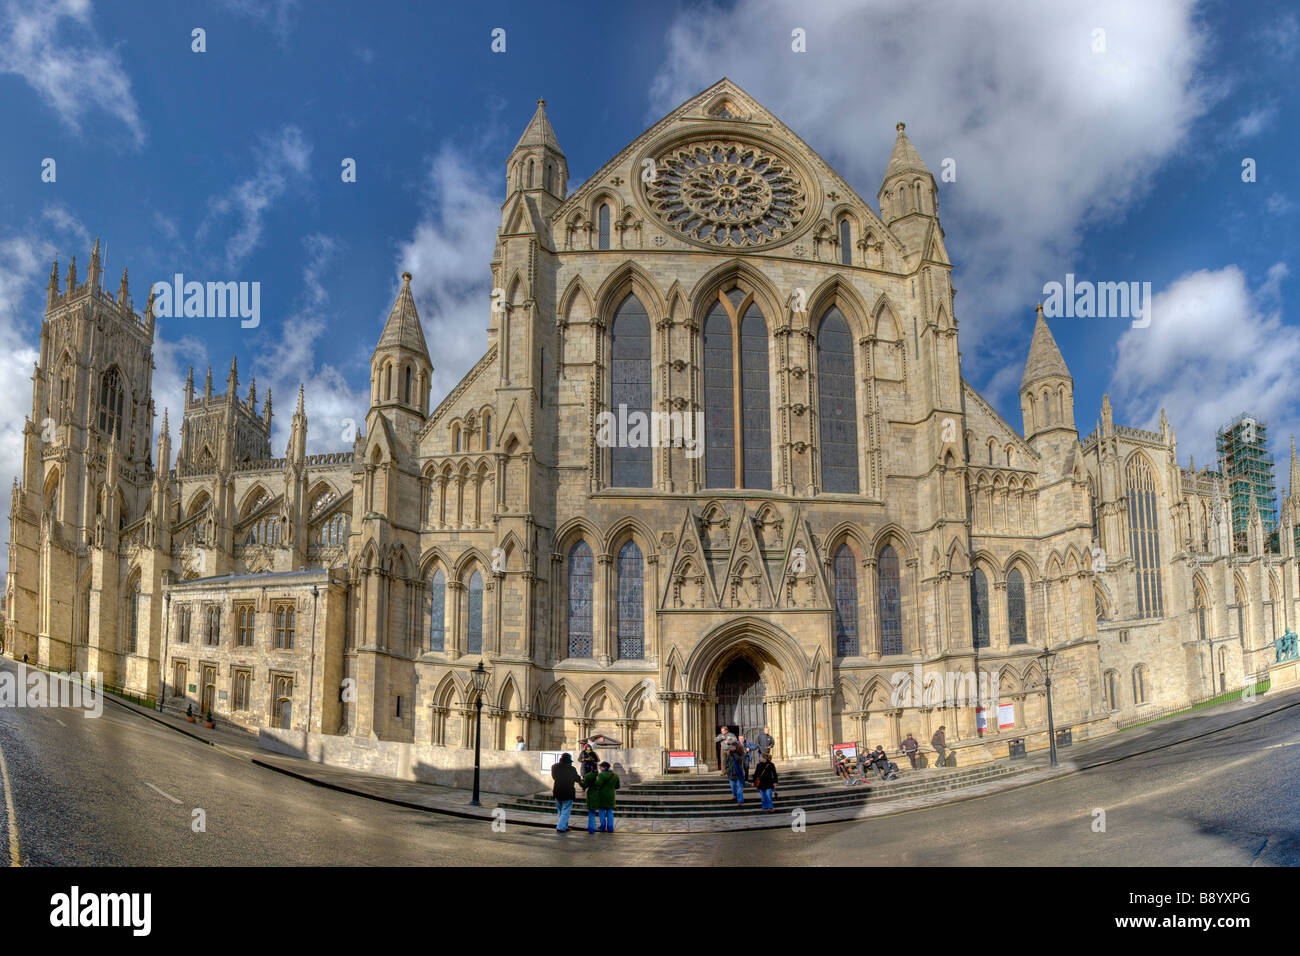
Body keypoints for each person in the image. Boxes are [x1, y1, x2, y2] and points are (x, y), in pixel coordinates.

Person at [550, 752, 582, 832]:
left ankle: (564, 826)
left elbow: (554, 777)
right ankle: (560, 827)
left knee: (560, 810)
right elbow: (577, 779)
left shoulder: (554, 767)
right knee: (566, 811)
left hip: (557, 791)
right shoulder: (572, 769)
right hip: (568, 792)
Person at [594, 761, 620, 832]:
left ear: (605, 767)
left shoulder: (601, 775)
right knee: (610, 811)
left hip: (601, 796)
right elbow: (617, 786)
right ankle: (610, 827)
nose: (600, 768)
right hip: (611, 796)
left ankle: (602, 826)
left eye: (601, 767)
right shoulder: (615, 775)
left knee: (601, 811)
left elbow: (598, 785)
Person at [580, 763, 601, 833]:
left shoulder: (588, 776)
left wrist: (579, 781)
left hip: (591, 795)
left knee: (591, 813)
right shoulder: (600, 776)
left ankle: (591, 828)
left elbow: (584, 785)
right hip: (598, 795)